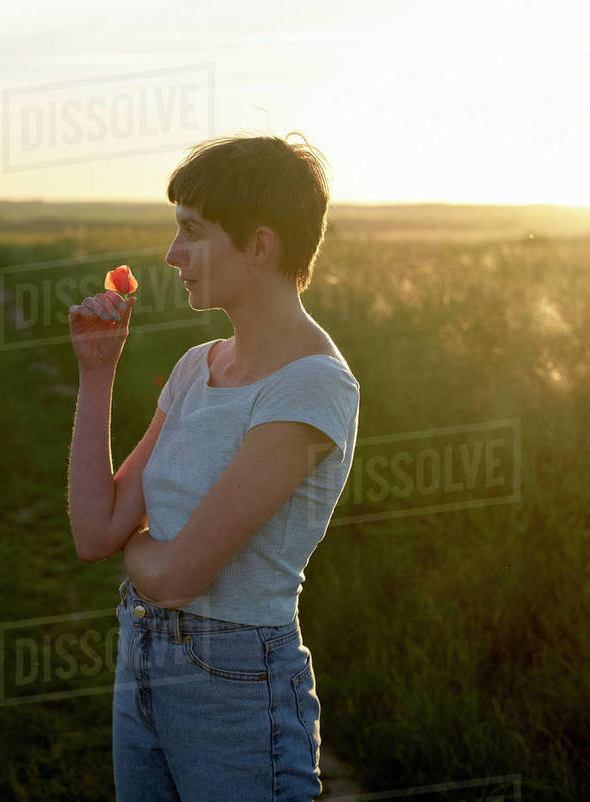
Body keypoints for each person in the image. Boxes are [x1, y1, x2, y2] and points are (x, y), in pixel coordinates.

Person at [66, 132, 360, 801]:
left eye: (192, 232)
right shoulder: (196, 368)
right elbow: (94, 530)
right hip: (141, 659)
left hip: (236, 686)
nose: (172, 255)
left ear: (260, 245)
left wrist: (138, 549)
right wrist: (97, 371)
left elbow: (174, 577)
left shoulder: (312, 387)